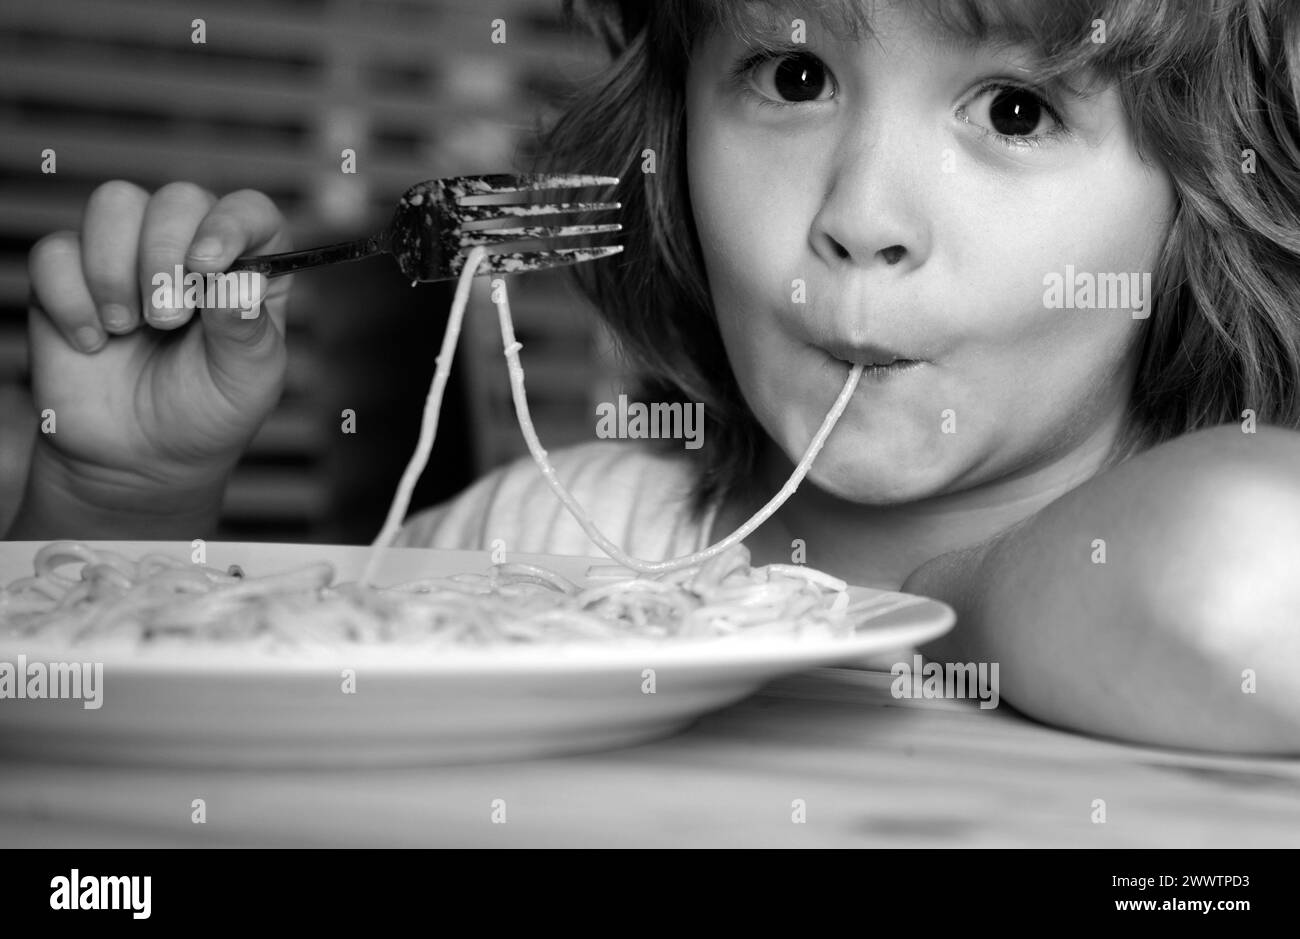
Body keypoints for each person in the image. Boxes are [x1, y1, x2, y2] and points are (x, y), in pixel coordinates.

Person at [11, 0, 1300, 752]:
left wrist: (932, 595)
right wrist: (126, 503)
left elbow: (1245, 575)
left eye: (1016, 109)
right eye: (794, 77)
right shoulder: (546, 547)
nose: (860, 216)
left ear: (1205, 201)